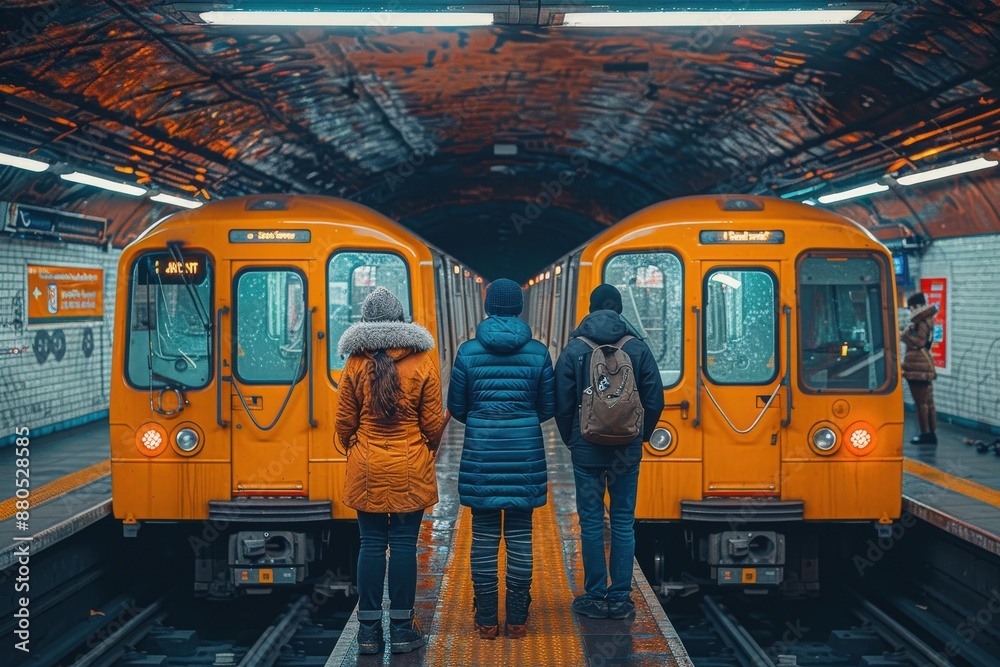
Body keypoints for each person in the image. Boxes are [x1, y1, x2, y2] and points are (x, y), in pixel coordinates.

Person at [335, 287, 444, 655]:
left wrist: (356, 443)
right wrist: (424, 445)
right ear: (401, 321)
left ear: (366, 323)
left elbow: (344, 423)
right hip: (410, 465)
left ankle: (367, 633)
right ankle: (400, 630)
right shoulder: (423, 361)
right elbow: (432, 424)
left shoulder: (354, 363)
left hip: (366, 466)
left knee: (370, 544)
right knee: (402, 546)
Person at [447, 278, 555, 639]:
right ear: (519, 308)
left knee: (483, 536)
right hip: (525, 453)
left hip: (481, 452)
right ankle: (518, 619)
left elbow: (457, 408)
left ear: (488, 307)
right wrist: (520, 419)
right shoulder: (539, 353)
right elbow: (548, 407)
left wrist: (484, 419)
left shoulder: (467, 352)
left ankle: (487, 620)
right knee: (522, 536)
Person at [555, 284, 663, 620]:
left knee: (590, 523)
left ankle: (594, 594)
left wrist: (572, 439)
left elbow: (561, 403)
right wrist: (639, 435)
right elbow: (655, 399)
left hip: (586, 448)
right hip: (626, 452)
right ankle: (620, 598)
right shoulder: (638, 348)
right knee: (622, 522)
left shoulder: (575, 349)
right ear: (619, 309)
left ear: (590, 308)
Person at [901, 291, 938, 444]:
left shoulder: (921, 321)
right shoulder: (926, 319)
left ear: (916, 306)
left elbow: (920, 342)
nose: (910, 310)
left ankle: (925, 433)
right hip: (923, 364)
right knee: (927, 401)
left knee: (921, 402)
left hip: (918, 366)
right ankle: (930, 432)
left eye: (910, 307)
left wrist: (905, 336)